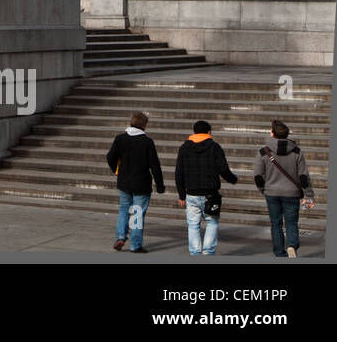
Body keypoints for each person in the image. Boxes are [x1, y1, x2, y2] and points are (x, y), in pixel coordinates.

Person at [175, 119, 239, 256]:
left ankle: (195, 252)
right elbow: (223, 169)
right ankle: (208, 252)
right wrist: (233, 180)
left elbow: (179, 172)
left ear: (194, 132)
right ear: (209, 132)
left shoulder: (184, 148)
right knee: (212, 223)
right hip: (210, 194)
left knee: (193, 225)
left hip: (191, 193)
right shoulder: (215, 147)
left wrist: (181, 195)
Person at [105, 111, 166, 253]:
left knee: (124, 210)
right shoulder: (147, 142)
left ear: (131, 122)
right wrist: (160, 185)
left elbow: (110, 157)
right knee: (137, 213)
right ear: (144, 124)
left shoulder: (120, 139)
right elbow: (155, 165)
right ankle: (135, 244)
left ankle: (120, 236)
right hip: (142, 184)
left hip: (124, 182)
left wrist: (117, 170)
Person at [254, 120, 315, 258]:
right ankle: (292, 245)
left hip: (272, 193)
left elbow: (258, 176)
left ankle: (279, 254)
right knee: (291, 223)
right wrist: (309, 195)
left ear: (272, 133)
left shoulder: (263, 152)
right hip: (292, 193)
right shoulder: (296, 151)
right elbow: (303, 176)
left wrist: (263, 190)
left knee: (276, 224)